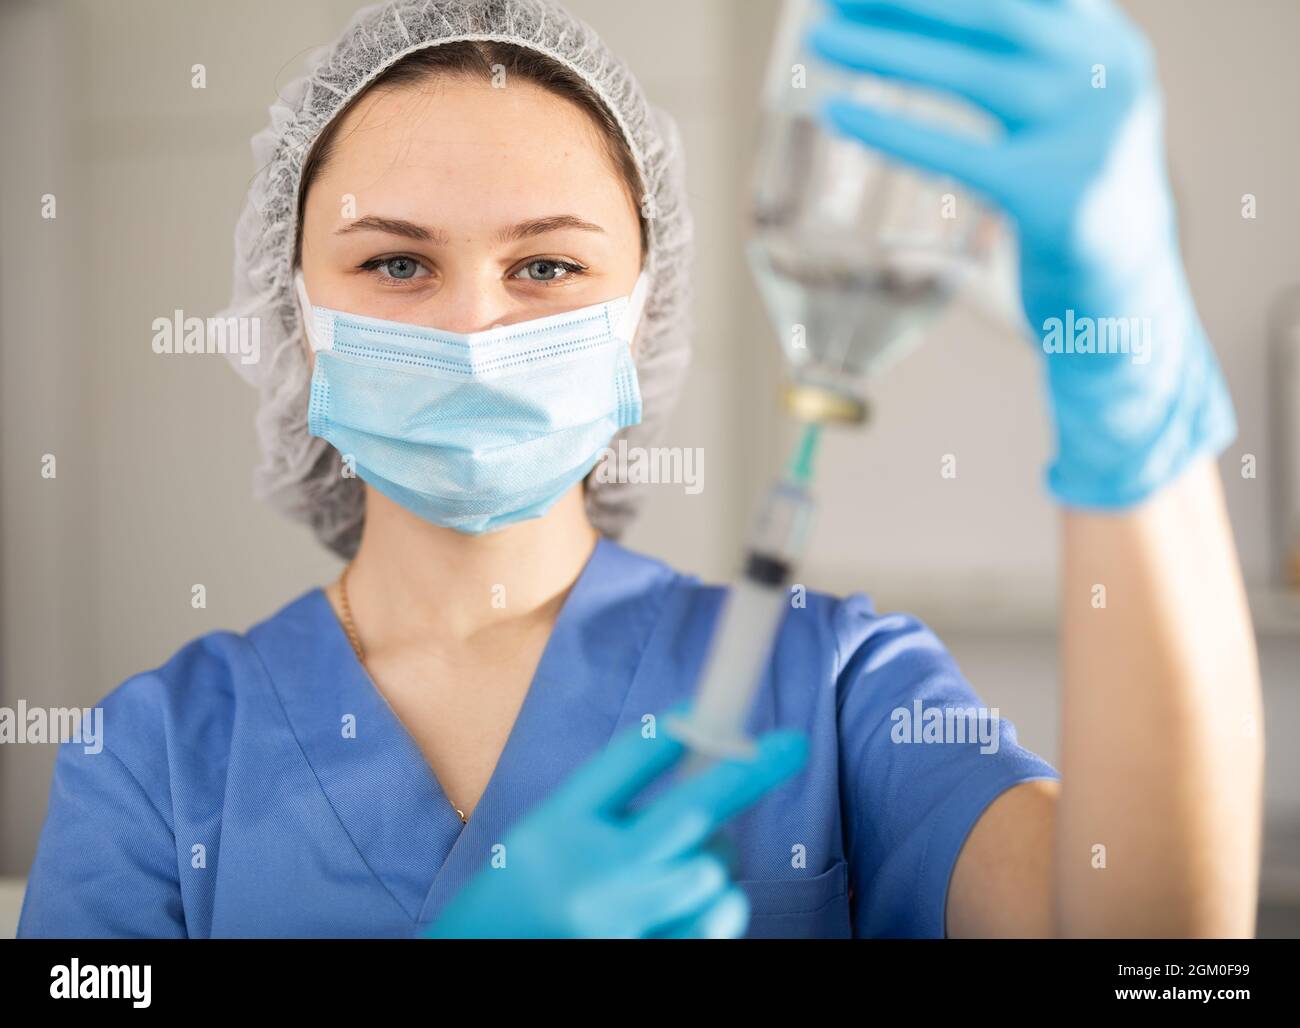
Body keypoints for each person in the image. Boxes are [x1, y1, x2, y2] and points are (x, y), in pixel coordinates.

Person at [18, 0, 1261, 939]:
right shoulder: (152, 757)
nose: (474, 329)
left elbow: (1149, 946)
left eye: (546, 268)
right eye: (396, 264)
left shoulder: (832, 687)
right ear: (294, 313)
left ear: (641, 311)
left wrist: (1128, 387)